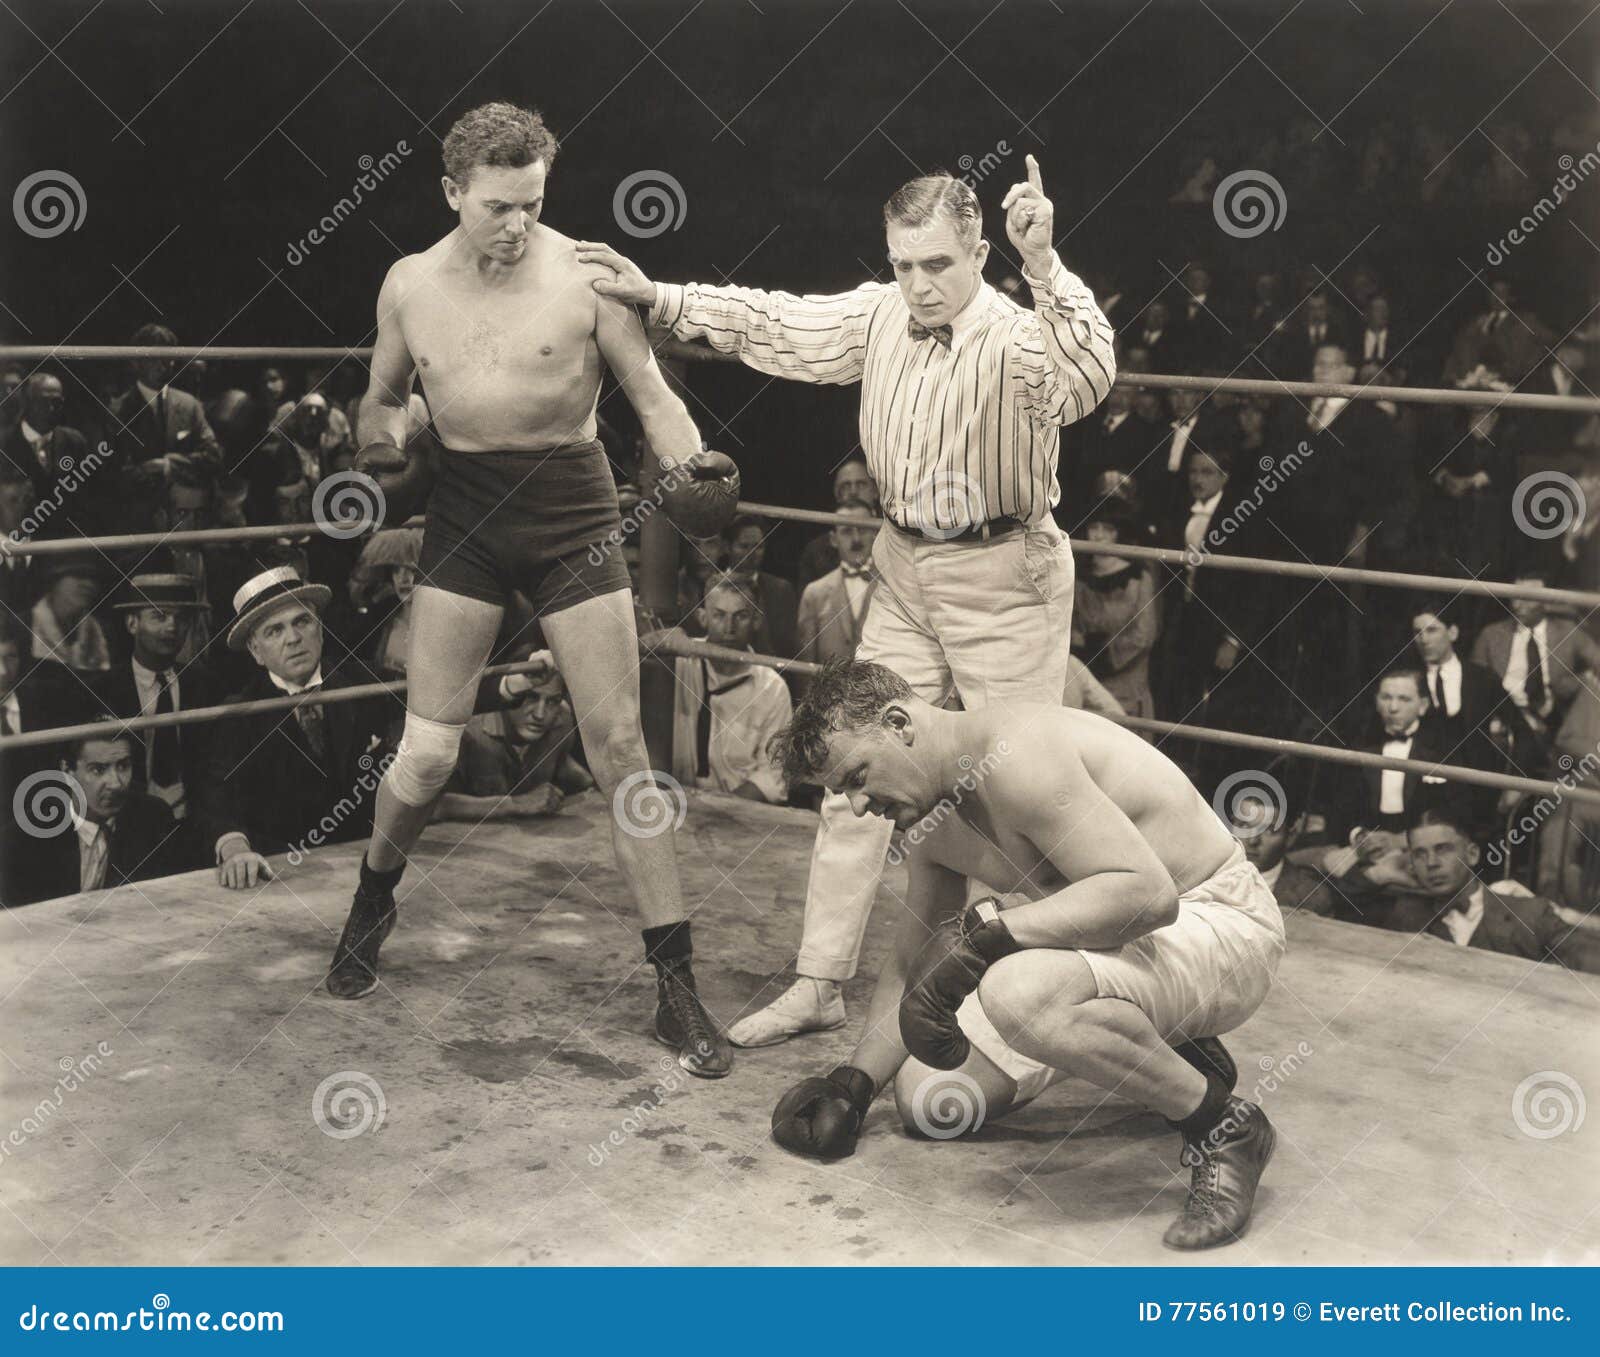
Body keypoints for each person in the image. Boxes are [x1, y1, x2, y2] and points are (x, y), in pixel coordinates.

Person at [582, 156, 1115, 1048]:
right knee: (851, 766)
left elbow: (1090, 375)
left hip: (1006, 576)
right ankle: (822, 979)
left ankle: (1004, 1001)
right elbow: (776, 321)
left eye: (938, 264)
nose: (918, 285)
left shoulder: (1022, 336)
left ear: (980, 251)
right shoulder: (880, 315)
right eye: (903, 265)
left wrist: (1047, 263)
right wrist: (661, 297)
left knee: (1015, 792)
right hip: (906, 567)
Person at [329, 102, 734, 1077]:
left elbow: (652, 398)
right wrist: (381, 442)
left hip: (571, 502)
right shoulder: (409, 286)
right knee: (425, 755)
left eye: (533, 204)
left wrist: (691, 463)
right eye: (499, 206)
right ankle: (373, 896)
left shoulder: (585, 276)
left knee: (621, 746)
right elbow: (379, 399)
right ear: (452, 193)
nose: (518, 225)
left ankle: (674, 981)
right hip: (467, 505)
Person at [765, 659, 1284, 1251]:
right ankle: (1175, 1046)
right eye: (842, 791)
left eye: (857, 777)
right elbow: (912, 959)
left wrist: (991, 932)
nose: (858, 806)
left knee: (1018, 990)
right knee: (930, 1100)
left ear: (900, 722)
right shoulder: (931, 819)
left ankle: (1223, 1125)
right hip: (1130, 942)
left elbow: (1149, 894)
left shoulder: (1016, 754)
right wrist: (853, 1086)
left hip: (1221, 923)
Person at [1386, 807, 1600, 970]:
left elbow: (1588, 958)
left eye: (1443, 849)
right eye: (1420, 854)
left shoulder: (1529, 913)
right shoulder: (1406, 913)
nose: (1431, 863)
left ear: (1472, 854)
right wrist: (1380, 873)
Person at [91, 572, 219, 830]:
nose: (172, 627)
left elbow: (211, 768)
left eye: (182, 619)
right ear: (132, 624)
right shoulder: (100, 690)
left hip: (194, 822)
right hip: (126, 826)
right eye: (159, 616)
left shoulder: (205, 684)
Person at [12, 722, 187, 906]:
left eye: (123, 766)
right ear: (67, 772)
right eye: (98, 769)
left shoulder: (154, 818)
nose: (116, 783)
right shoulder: (25, 839)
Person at [668, 574, 791, 804]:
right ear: (702, 617)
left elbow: (772, 777)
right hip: (671, 807)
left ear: (756, 621)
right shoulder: (676, 663)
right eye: (719, 615)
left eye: (741, 616)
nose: (729, 629)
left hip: (738, 815)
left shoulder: (773, 688)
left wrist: (719, 811)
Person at [435, 658, 593, 821]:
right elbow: (429, 808)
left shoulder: (561, 722)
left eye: (552, 701)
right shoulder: (465, 729)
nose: (540, 714)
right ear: (509, 694)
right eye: (530, 698)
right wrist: (514, 804)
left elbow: (560, 763)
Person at [794, 497, 879, 688]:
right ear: (833, 539)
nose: (856, 539)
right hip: (831, 707)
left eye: (863, 529)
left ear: (875, 533)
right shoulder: (814, 593)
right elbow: (805, 669)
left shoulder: (894, 585)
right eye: (847, 531)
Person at [795, 456, 880, 589]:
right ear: (836, 493)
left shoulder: (894, 539)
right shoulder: (816, 552)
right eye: (846, 486)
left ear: (875, 491)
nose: (853, 492)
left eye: (861, 484)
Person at [725, 513, 798, 658]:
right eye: (744, 546)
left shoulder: (781, 590)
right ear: (727, 547)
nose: (751, 554)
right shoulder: (712, 586)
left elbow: (788, 648)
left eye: (758, 547)